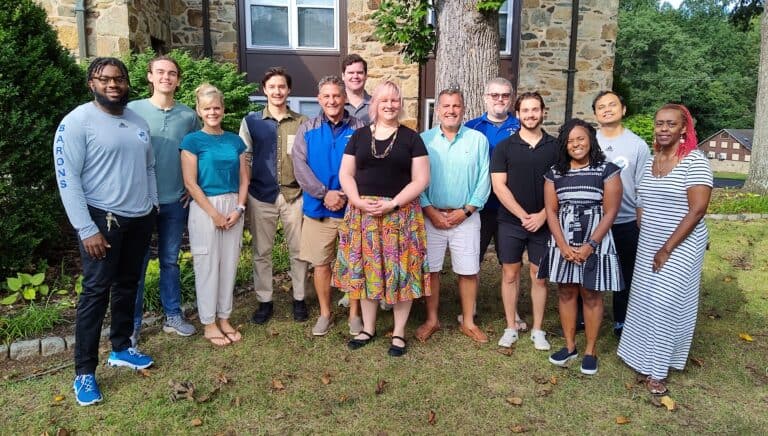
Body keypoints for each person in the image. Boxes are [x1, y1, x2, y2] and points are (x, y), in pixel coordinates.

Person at [55, 57, 157, 406]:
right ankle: (84, 372)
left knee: (128, 285)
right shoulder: (77, 122)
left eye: (120, 79)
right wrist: (86, 228)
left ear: (128, 84)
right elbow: (67, 181)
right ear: (91, 83)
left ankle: (122, 348)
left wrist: (153, 205)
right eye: (105, 79)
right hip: (103, 221)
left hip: (139, 218)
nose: (113, 85)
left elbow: (150, 167)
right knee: (95, 293)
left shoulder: (137, 121)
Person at [617, 104, 712, 395]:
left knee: (666, 302)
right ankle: (640, 356)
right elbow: (642, 197)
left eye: (671, 124)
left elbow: (697, 210)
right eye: (660, 124)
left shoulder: (695, 162)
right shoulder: (652, 159)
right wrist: (644, 226)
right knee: (645, 300)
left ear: (684, 128)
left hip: (681, 243)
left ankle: (658, 371)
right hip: (650, 240)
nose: (664, 129)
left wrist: (667, 248)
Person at [334, 80, 431, 356]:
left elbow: (421, 179)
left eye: (395, 100)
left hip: (400, 215)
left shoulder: (412, 138)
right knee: (367, 270)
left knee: (401, 272)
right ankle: (368, 327)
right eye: (384, 100)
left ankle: (399, 332)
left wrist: (393, 204)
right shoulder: (359, 136)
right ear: (374, 103)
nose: (389, 105)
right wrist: (356, 201)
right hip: (362, 214)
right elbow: (346, 174)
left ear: (401, 104)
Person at [538, 119, 623, 376]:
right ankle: (570, 346)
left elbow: (611, 212)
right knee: (565, 292)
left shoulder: (607, 170)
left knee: (591, 293)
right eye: (570, 140)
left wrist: (590, 245)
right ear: (564, 144)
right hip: (563, 240)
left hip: (594, 240)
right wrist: (562, 245)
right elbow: (551, 212)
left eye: (581, 139)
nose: (576, 144)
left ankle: (591, 350)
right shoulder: (555, 173)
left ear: (591, 140)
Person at [129, 55, 200, 346]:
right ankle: (131, 326)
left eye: (171, 73)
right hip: (141, 202)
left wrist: (191, 186)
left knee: (170, 260)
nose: (166, 77)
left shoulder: (188, 116)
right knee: (137, 264)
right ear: (149, 76)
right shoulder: (133, 111)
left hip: (174, 200)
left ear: (178, 80)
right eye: (160, 72)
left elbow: (196, 153)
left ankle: (172, 316)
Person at [415, 88, 491, 344]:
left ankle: (468, 321)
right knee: (431, 270)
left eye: (456, 106)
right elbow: (417, 180)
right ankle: (432, 319)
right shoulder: (424, 140)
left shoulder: (478, 140)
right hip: (431, 215)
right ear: (437, 110)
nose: (451, 111)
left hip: (467, 216)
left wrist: (467, 210)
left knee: (468, 270)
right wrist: (429, 210)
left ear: (463, 109)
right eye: (445, 106)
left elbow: (484, 179)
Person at [292, 76, 365, 336]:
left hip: (352, 209)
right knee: (321, 265)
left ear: (344, 98)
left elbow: (365, 166)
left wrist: (344, 194)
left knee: (355, 263)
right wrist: (324, 194)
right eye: (326, 96)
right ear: (319, 98)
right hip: (318, 210)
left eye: (336, 95)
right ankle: (325, 314)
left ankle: (355, 314)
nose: (332, 101)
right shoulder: (307, 128)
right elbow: (300, 167)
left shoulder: (360, 127)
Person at [240, 67, 310, 325]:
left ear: (288, 90)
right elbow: (245, 158)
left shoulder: (302, 122)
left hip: (294, 194)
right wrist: (244, 195)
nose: (277, 91)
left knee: (299, 250)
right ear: (264, 90)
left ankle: (299, 299)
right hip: (261, 195)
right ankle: (264, 301)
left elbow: (306, 158)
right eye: (272, 87)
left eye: (282, 86)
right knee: (262, 251)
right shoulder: (251, 122)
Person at [181, 84, 249, 347]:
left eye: (217, 107)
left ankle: (224, 317)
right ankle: (208, 322)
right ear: (199, 110)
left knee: (229, 264)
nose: (213, 112)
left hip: (233, 206)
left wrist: (239, 209)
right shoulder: (192, 141)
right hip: (205, 207)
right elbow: (190, 182)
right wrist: (214, 215)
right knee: (207, 265)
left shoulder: (235, 141)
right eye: (207, 108)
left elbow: (244, 179)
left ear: (223, 109)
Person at [490, 92, 558, 350]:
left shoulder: (555, 147)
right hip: (511, 221)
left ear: (543, 112)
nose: (530, 115)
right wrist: (522, 215)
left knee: (539, 276)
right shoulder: (504, 147)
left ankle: (538, 330)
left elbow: (561, 185)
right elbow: (499, 186)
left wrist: (542, 215)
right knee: (510, 273)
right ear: (517, 114)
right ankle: (510, 326)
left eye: (535, 110)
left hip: (545, 221)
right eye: (525, 110)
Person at [593, 91, 651, 337]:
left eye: (612, 105)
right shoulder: (587, 140)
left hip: (625, 220)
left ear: (623, 109)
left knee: (625, 273)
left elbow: (643, 185)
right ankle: (585, 317)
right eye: (601, 106)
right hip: (593, 220)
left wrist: (642, 217)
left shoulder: (637, 145)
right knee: (591, 270)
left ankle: (622, 320)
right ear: (595, 113)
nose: (607, 109)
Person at [341, 54, 371, 123]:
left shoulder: (376, 105)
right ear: (343, 76)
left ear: (366, 76)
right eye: (351, 73)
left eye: (359, 73)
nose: (355, 76)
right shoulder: (333, 104)